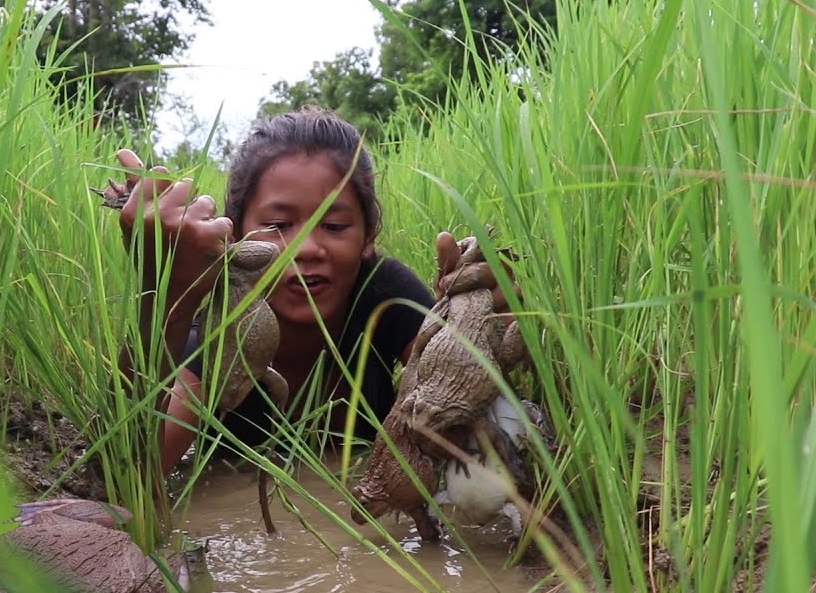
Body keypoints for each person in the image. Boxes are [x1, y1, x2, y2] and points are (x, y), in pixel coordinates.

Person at [107, 106, 514, 473]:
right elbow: (130, 475)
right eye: (278, 226)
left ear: (368, 236)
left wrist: (482, 333)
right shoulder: (222, 328)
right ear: (235, 237)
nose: (306, 249)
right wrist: (167, 296)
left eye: (334, 226)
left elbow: (473, 430)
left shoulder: (384, 292)